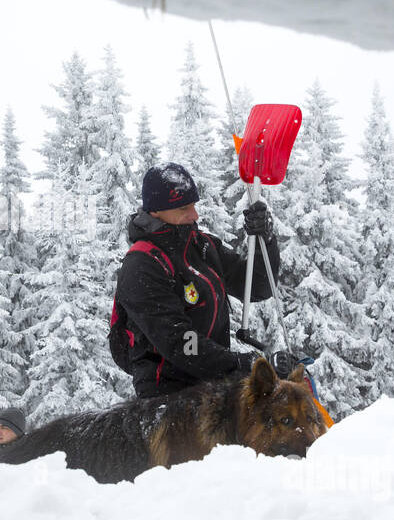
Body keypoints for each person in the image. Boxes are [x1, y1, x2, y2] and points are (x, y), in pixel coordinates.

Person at [109, 162, 281, 399]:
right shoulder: (141, 265)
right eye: (183, 208)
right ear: (156, 211)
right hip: (166, 396)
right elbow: (180, 342)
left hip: (211, 383)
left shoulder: (202, 247)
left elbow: (258, 286)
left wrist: (266, 240)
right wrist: (242, 363)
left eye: (194, 205)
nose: (195, 215)